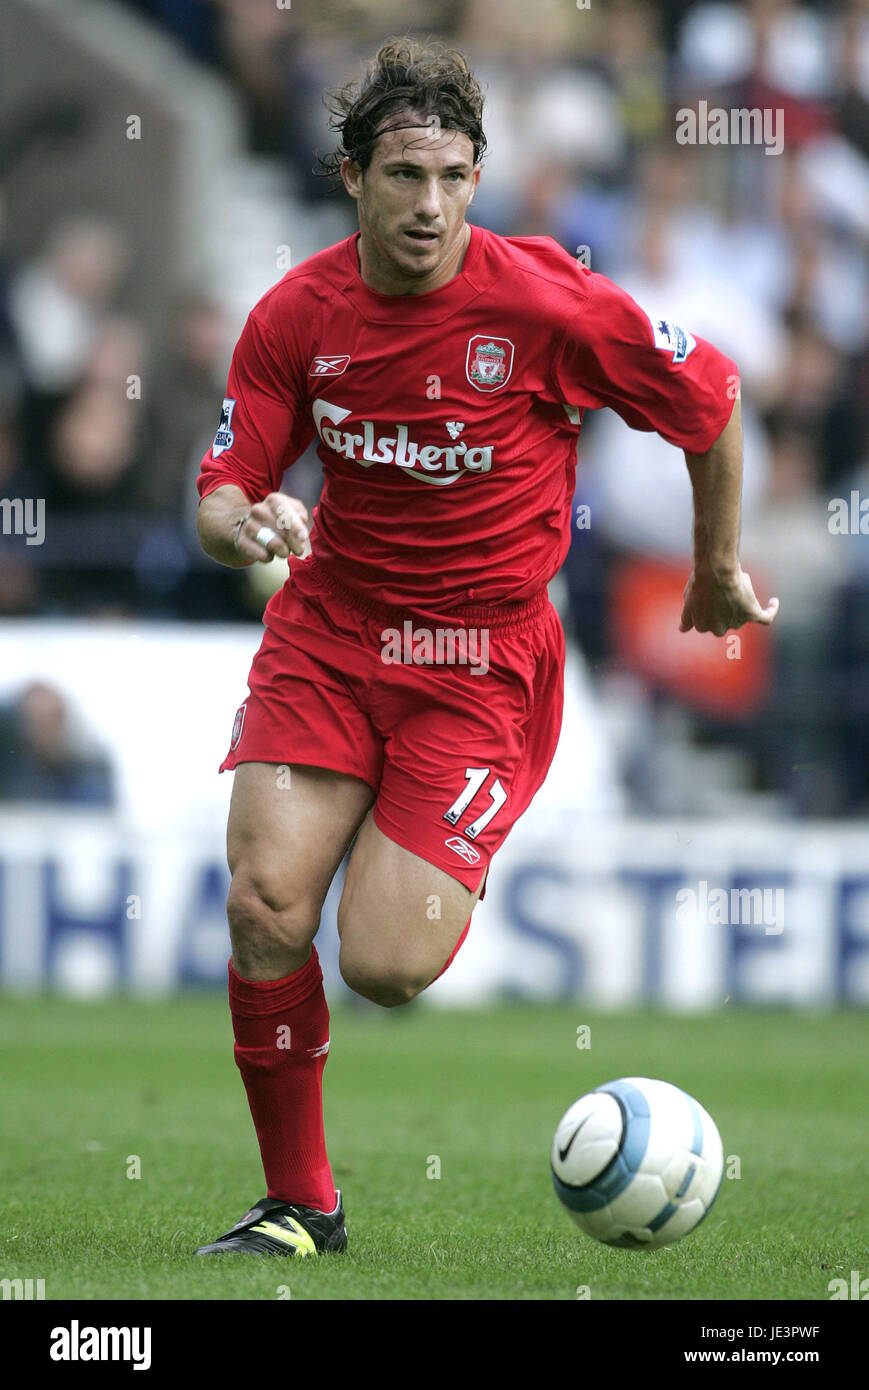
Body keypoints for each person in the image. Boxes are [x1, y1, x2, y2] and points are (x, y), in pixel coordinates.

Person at [193, 38, 778, 1258]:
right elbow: (220, 492)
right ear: (351, 177)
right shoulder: (295, 314)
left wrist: (716, 565)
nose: (430, 204)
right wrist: (248, 518)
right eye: (403, 175)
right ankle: (299, 1203)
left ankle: (422, 840)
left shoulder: (544, 301)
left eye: (454, 176)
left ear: (477, 175)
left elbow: (710, 403)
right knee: (262, 905)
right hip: (332, 632)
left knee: (387, 965)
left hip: (478, 664)